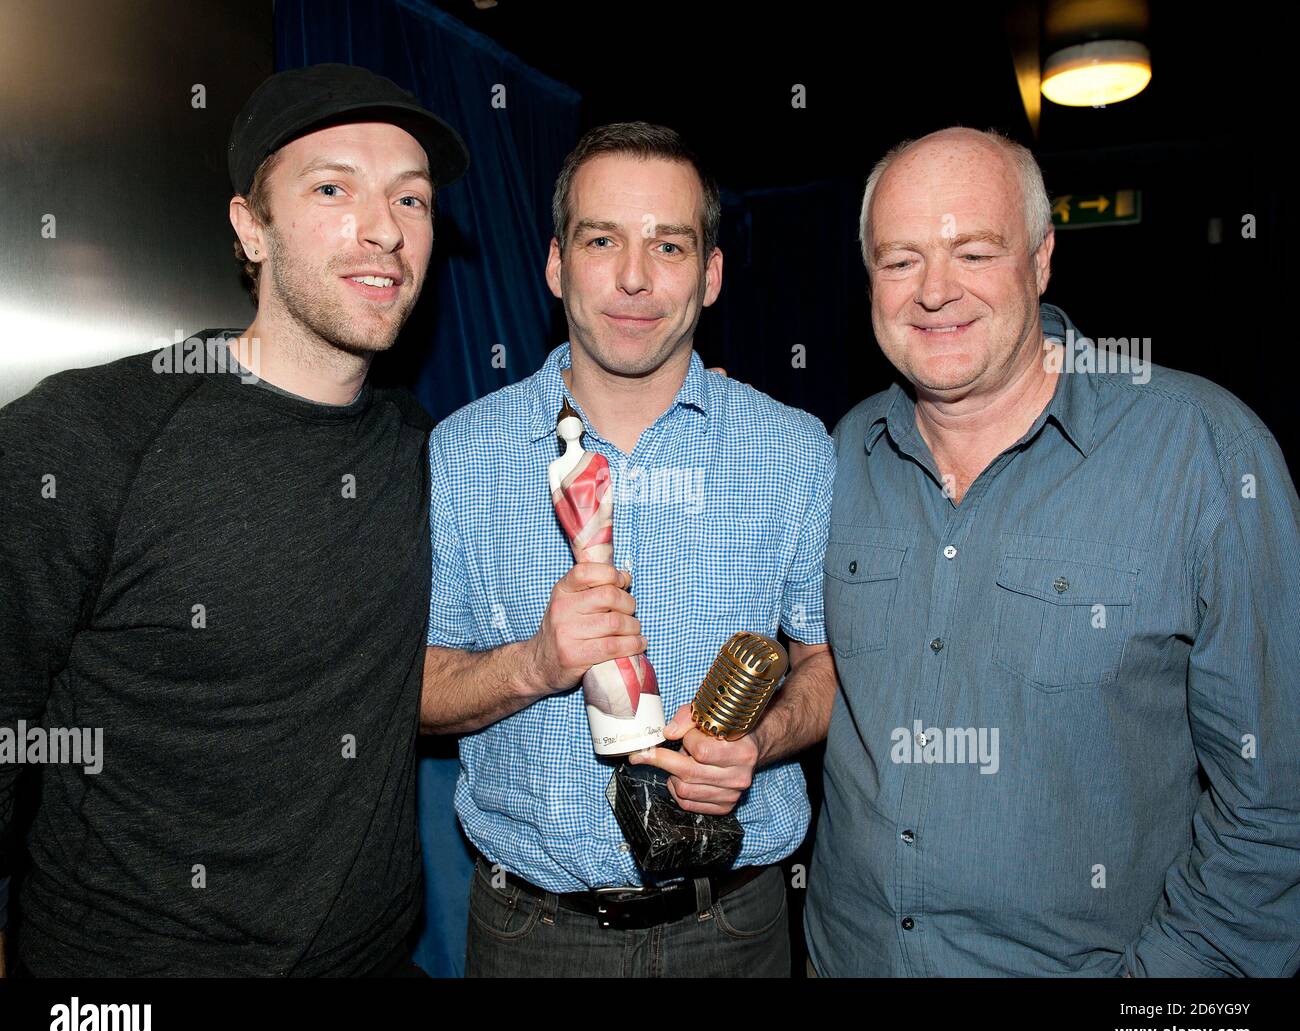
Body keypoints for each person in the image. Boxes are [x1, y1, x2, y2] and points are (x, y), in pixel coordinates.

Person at [0, 63, 468, 976]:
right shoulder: (86, 437)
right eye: (332, 189)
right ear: (251, 228)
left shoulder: (422, 450)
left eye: (411, 199)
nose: (384, 228)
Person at [803, 126, 1300, 977]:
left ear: (1040, 260)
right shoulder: (841, 455)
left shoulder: (1205, 454)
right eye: (901, 260)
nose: (935, 291)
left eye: (974, 252)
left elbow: (1275, 803)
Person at [420, 122, 838, 977]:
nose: (635, 277)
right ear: (555, 264)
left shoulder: (795, 452)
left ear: (711, 275)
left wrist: (759, 743)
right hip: (531, 934)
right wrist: (535, 663)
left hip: (734, 928)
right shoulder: (462, 453)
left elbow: (825, 662)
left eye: (669, 245)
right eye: (602, 240)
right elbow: (413, 688)